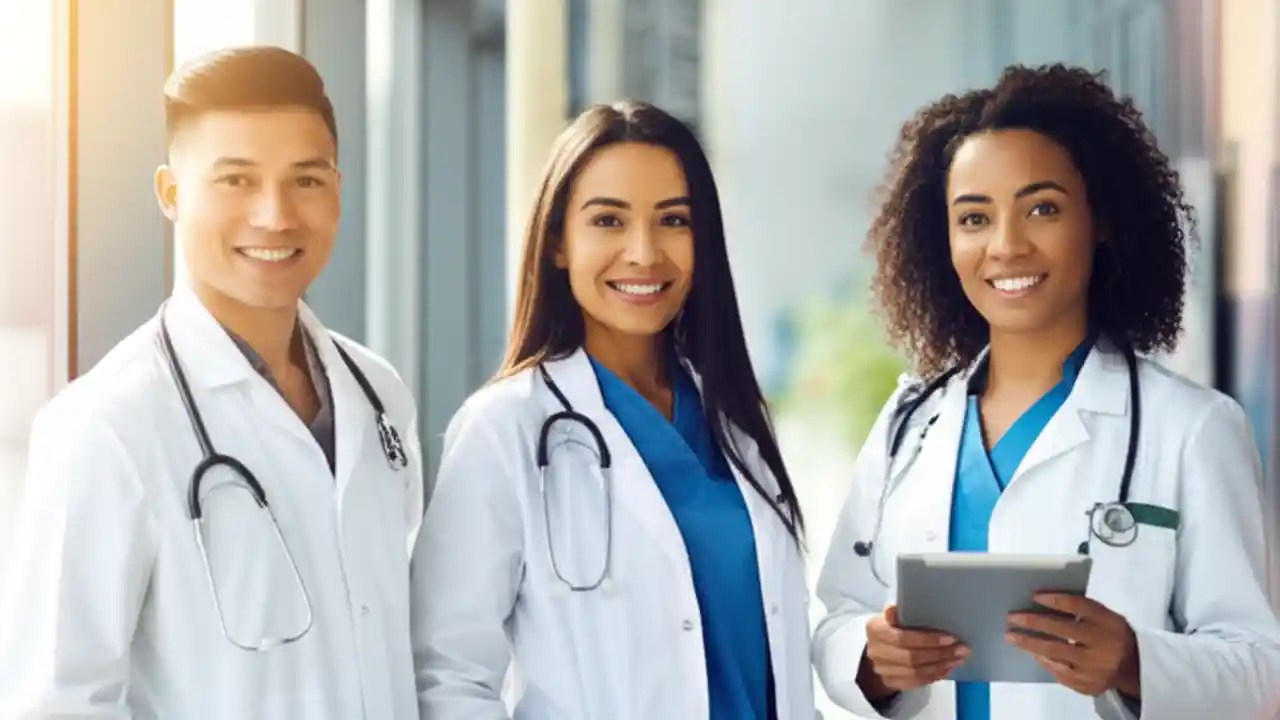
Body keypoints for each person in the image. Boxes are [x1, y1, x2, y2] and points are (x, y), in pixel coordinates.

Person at [812, 64, 1280, 719]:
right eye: (973, 218)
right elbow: (837, 617)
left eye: (1042, 208)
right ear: (941, 240)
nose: (1006, 245)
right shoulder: (908, 425)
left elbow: (1260, 670)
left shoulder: (1193, 428)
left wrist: (1134, 661)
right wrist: (872, 659)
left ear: (1102, 221)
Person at [0, 46, 423, 718]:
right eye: (237, 181)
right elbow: (55, 703)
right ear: (170, 194)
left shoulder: (377, 394)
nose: (275, 215)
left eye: (305, 181)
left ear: (337, 190)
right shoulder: (105, 427)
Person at [409, 101, 815, 719]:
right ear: (557, 244)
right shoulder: (506, 428)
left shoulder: (733, 421)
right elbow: (448, 676)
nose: (644, 253)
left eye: (673, 221)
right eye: (608, 221)